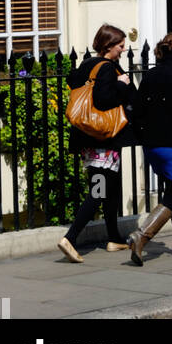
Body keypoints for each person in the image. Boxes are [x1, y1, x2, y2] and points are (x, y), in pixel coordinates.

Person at [57, 24, 137, 263]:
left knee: (111, 189)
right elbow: (103, 102)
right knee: (98, 190)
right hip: (104, 139)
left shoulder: (86, 65)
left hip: (90, 140)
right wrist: (121, 84)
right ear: (109, 46)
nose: (123, 50)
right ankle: (70, 238)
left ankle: (114, 238)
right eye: (120, 46)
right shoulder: (106, 69)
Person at [128, 31, 172, 263]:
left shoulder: (150, 75)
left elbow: (137, 111)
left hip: (151, 146)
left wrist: (144, 136)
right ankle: (141, 236)